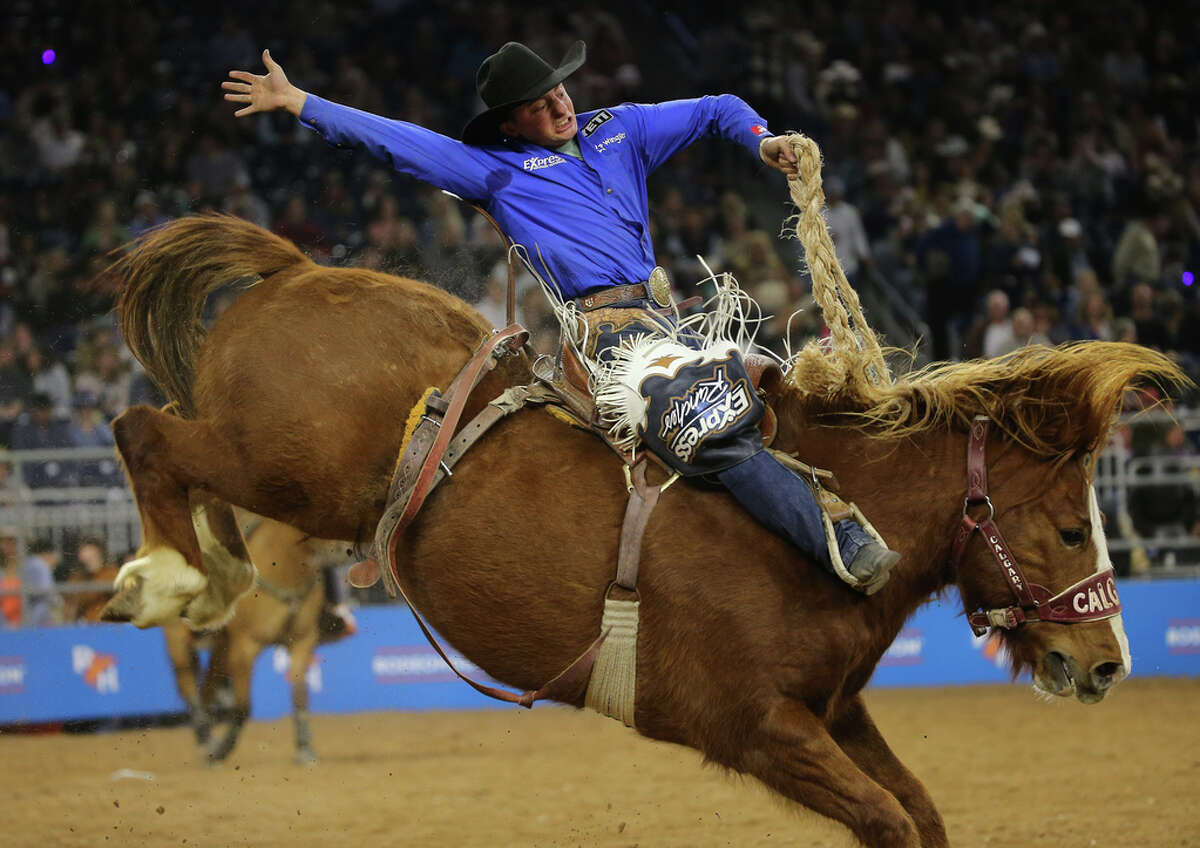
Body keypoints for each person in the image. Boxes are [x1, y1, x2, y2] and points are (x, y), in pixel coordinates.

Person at [223, 42, 899, 592]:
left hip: (667, 321)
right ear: (510, 123)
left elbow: (718, 108)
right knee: (702, 418)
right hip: (611, 343)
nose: (559, 104)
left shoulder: (619, 129)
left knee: (786, 385)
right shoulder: (494, 170)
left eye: (560, 91)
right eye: (539, 104)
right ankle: (835, 541)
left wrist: (761, 139)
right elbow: (398, 142)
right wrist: (300, 102)